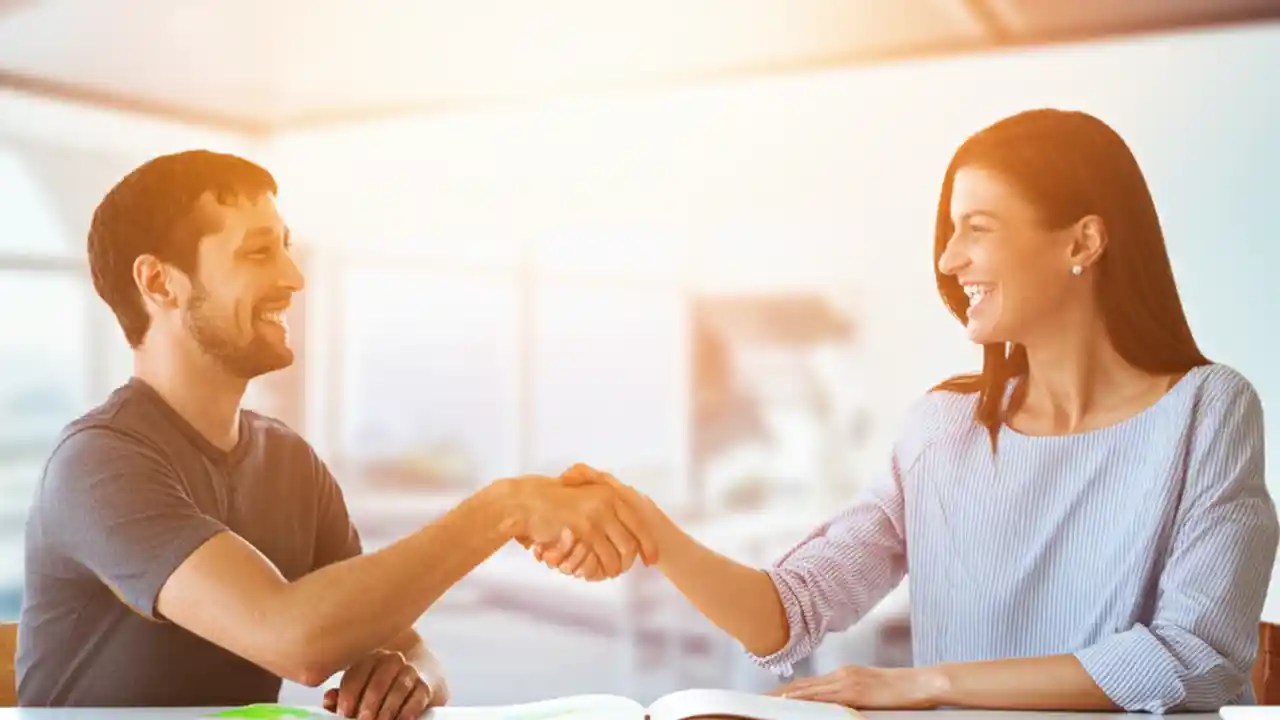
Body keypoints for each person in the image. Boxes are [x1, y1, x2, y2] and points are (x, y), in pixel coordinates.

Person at [535, 109, 1278, 713]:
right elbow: (792, 609)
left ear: (1082, 240)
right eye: (951, 231)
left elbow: (1193, 655)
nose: (950, 259)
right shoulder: (944, 428)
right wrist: (650, 529)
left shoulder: (1207, 411)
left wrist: (929, 683)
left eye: (977, 228)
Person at [17, 151, 656, 719]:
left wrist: (412, 678)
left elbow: (407, 646)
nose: (294, 278)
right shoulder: (98, 465)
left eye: (286, 248)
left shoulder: (288, 462)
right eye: (258, 251)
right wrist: (506, 508)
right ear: (159, 282)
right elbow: (293, 638)